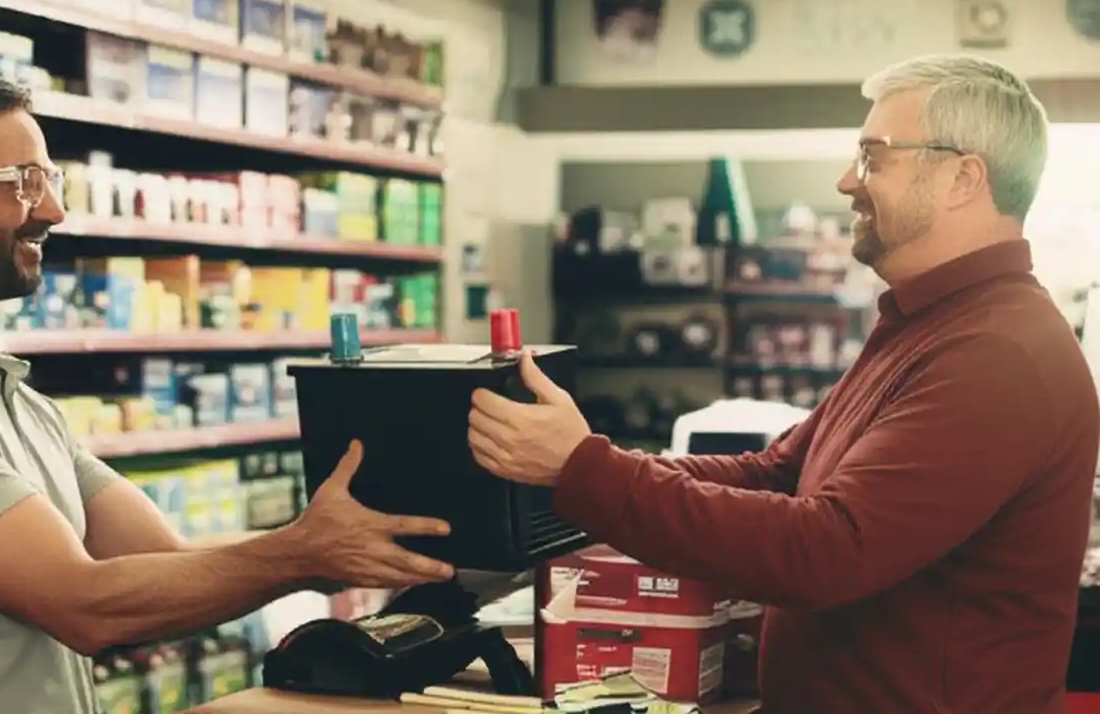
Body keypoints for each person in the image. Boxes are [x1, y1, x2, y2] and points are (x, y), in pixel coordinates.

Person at [470, 54, 1100, 713]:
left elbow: (828, 550)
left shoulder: (997, 354)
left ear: (962, 178)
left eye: (872, 157)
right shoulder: (933, 325)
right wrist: (572, 470)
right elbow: (775, 474)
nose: (846, 181)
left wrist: (584, 469)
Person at [0, 72, 454, 714]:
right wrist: (302, 554)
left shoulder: (6, 394)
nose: (52, 210)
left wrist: (337, 542)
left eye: (51, 180)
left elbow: (160, 558)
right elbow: (84, 604)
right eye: (24, 182)